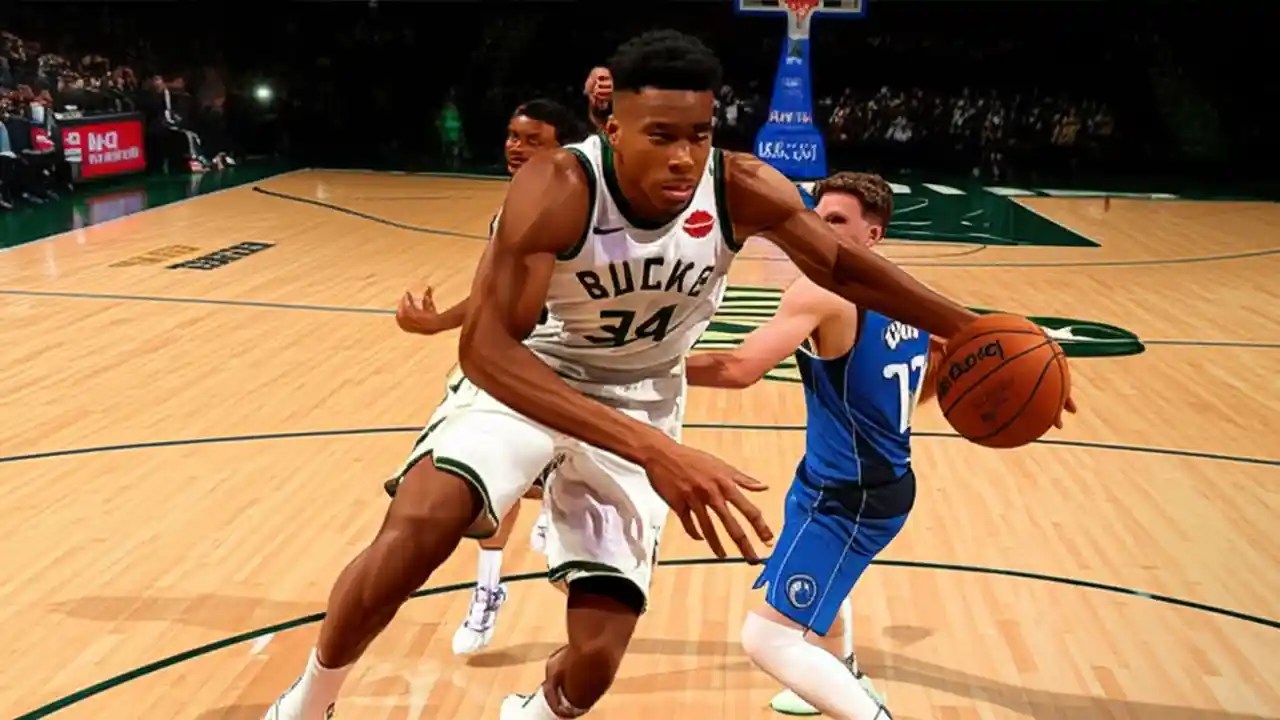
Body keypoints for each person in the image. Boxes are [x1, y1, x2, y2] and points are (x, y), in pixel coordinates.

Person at [264, 30, 1065, 720]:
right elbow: (486, 352)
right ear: (611, 126)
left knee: (597, 664)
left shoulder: (739, 186)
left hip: (643, 394)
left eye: (699, 132)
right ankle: (312, 696)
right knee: (424, 524)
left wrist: (972, 328)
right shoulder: (556, 190)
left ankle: (536, 709)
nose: (685, 155)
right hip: (532, 379)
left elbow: (844, 267)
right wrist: (656, 452)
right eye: (660, 134)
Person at [688, 171, 931, 719]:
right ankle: (843, 670)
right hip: (851, 477)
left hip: (852, 497)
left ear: (873, 235)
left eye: (838, 222)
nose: (823, 232)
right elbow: (925, 380)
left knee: (766, 639)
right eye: (817, 220)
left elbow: (738, 367)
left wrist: (643, 370)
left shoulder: (822, 292)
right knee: (830, 577)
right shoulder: (904, 290)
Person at [387, 97, 585, 657]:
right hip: (519, 366)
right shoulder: (515, 204)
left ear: (563, 152)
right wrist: (437, 324)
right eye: (512, 136)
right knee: (484, 492)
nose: (515, 147)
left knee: (589, 524)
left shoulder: (577, 209)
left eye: (531, 139)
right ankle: (488, 592)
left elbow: (517, 304)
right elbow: (490, 293)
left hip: (576, 368)